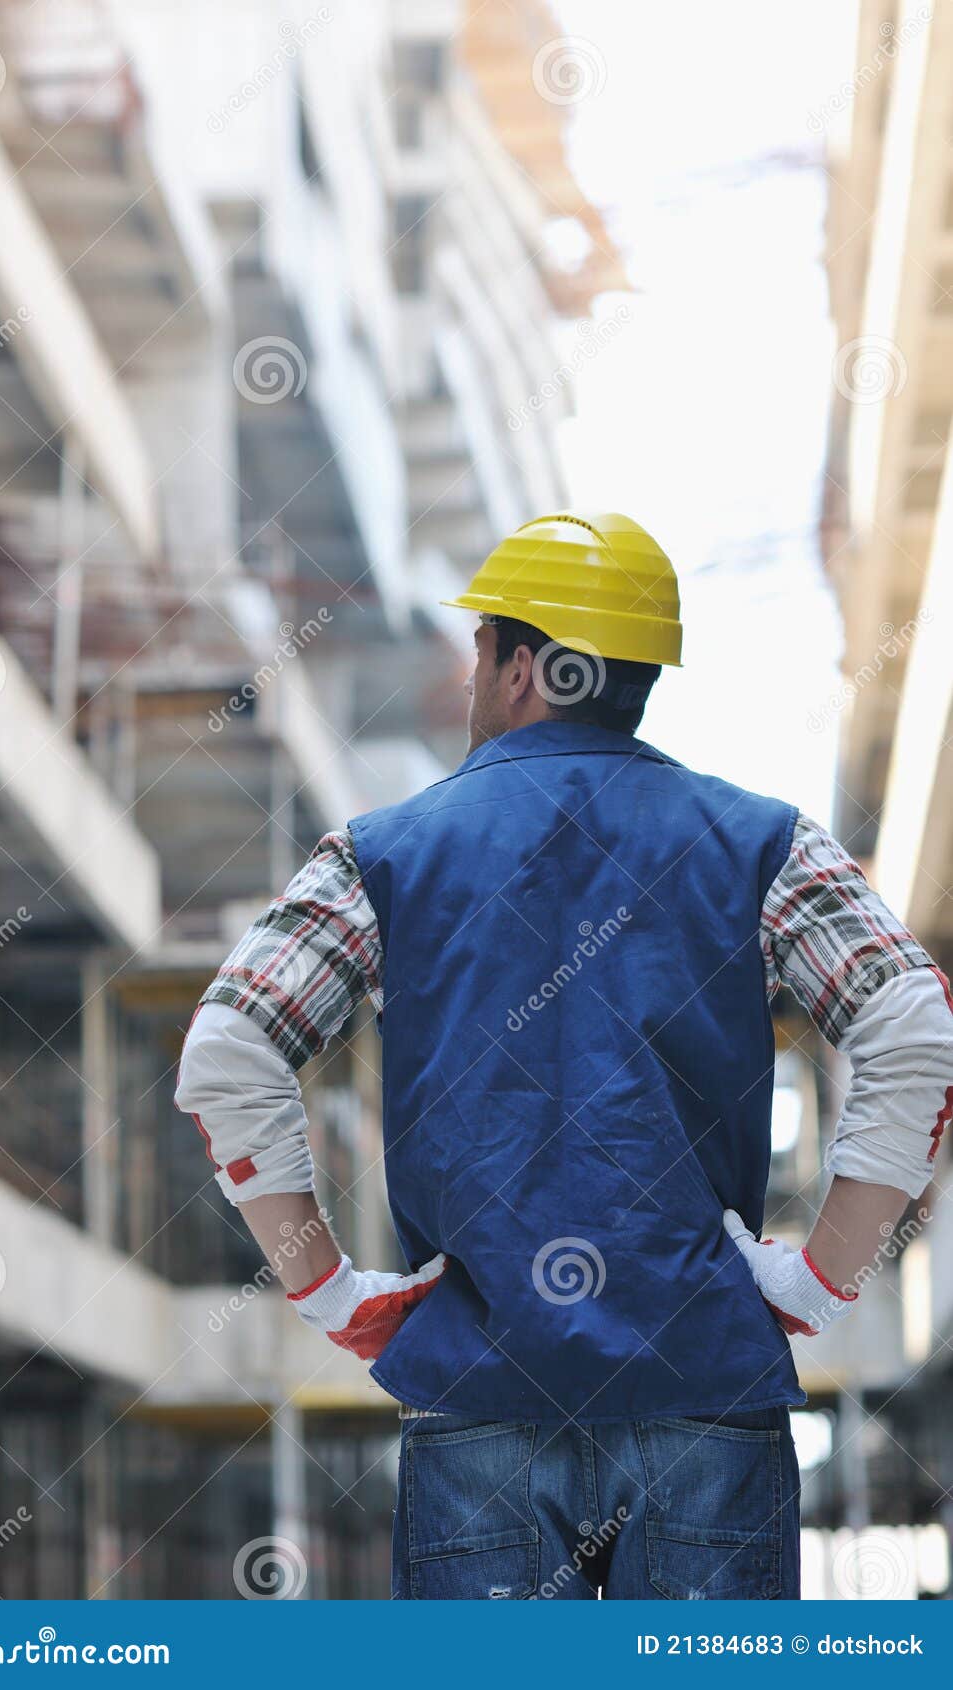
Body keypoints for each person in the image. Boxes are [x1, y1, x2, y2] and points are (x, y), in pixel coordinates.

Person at [175, 512, 952, 1600]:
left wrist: (327, 1290)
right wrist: (824, 1276)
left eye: (484, 649)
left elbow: (228, 1047)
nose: (474, 678)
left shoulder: (381, 856)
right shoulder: (759, 844)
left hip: (478, 1404)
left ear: (529, 667)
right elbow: (911, 1024)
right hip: (705, 1397)